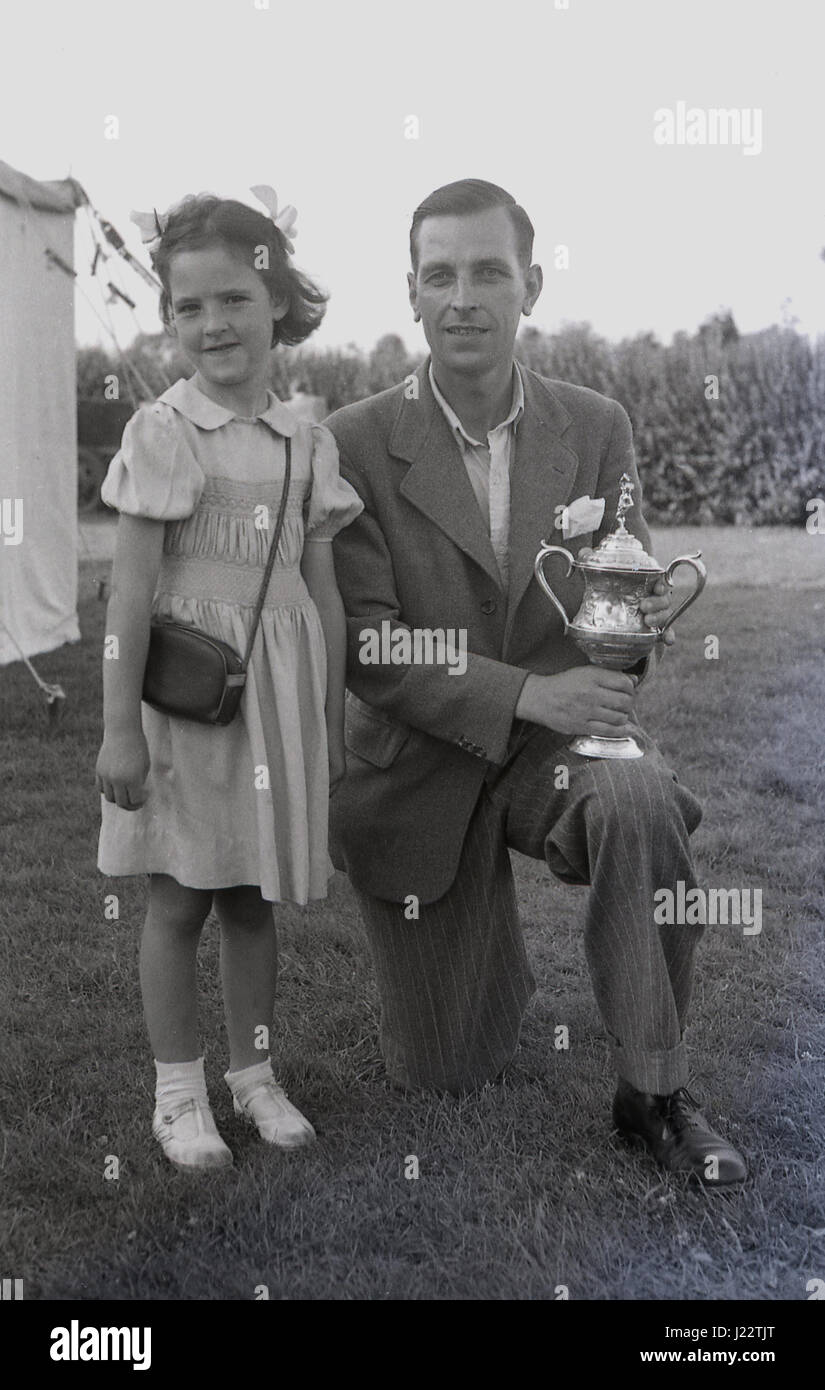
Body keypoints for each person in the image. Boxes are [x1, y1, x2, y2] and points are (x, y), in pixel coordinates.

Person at [326, 179, 747, 1184]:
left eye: (487, 272)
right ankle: (479, 964)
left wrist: (629, 638)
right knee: (444, 1072)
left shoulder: (598, 426)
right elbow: (373, 647)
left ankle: (652, 1089)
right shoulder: (349, 441)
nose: (462, 296)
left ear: (532, 286)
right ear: (412, 292)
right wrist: (523, 692)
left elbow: (626, 596)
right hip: (418, 762)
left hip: (559, 753)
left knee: (639, 794)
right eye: (440, 274)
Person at [95, 188, 362, 1171]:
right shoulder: (163, 432)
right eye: (188, 305)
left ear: (280, 301)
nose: (212, 324)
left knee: (252, 900)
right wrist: (118, 728)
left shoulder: (308, 439)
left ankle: (254, 1074)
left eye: (235, 299)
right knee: (177, 899)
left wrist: (327, 721)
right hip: (185, 704)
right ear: (169, 318)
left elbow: (321, 590)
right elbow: (126, 597)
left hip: (276, 701)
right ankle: (177, 1090)